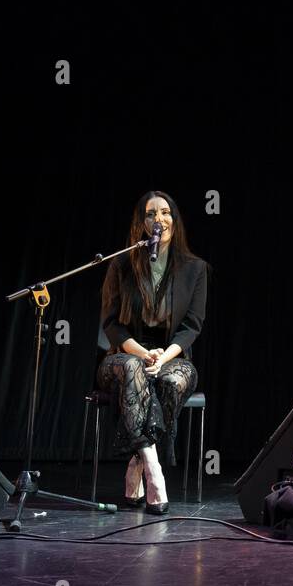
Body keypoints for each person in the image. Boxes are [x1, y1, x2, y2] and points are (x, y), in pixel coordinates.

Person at [96, 190, 209, 513]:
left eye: (165, 213)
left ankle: (136, 459)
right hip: (124, 357)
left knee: (174, 382)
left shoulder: (195, 269)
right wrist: (143, 353)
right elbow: (111, 324)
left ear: (175, 219)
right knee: (133, 370)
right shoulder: (122, 263)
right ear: (141, 222)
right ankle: (153, 467)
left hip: (172, 357)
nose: (158, 220)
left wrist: (163, 357)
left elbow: (192, 325)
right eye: (150, 214)